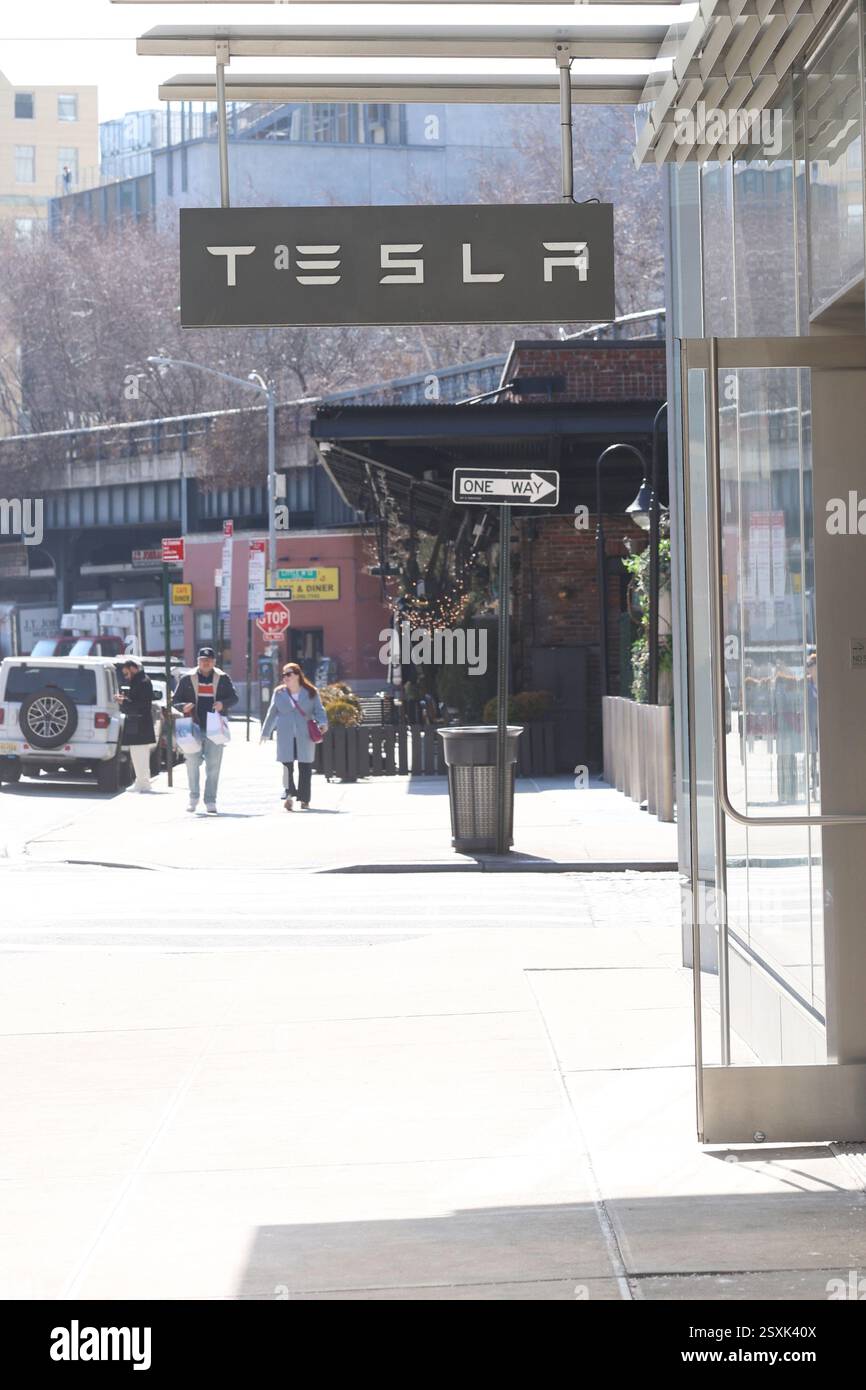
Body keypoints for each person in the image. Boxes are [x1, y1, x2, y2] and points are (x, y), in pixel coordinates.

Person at [172, 647, 238, 814]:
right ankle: (193, 798)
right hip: (191, 725)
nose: (205, 662)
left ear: (214, 662)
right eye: (202, 660)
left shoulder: (223, 678)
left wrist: (223, 704)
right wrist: (182, 706)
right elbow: (175, 700)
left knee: (214, 766)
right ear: (198, 661)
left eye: (209, 660)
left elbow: (234, 697)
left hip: (215, 727)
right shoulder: (187, 678)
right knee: (192, 763)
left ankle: (210, 800)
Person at [261, 662, 328, 811]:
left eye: (289, 674)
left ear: (298, 675)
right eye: (283, 674)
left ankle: (304, 799)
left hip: (305, 734)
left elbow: (319, 710)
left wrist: (323, 723)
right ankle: (289, 795)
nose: (285, 677)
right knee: (287, 767)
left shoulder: (311, 692)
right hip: (285, 734)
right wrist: (266, 732)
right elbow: (271, 713)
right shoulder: (279, 693)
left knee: (305, 767)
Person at [116, 656, 156, 792]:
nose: (126, 677)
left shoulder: (142, 681)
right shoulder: (139, 681)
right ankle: (141, 781)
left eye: (127, 673)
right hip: (138, 723)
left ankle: (143, 782)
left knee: (140, 755)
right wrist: (125, 700)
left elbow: (141, 704)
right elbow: (137, 701)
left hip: (140, 724)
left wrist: (124, 702)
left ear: (133, 668)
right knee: (138, 755)